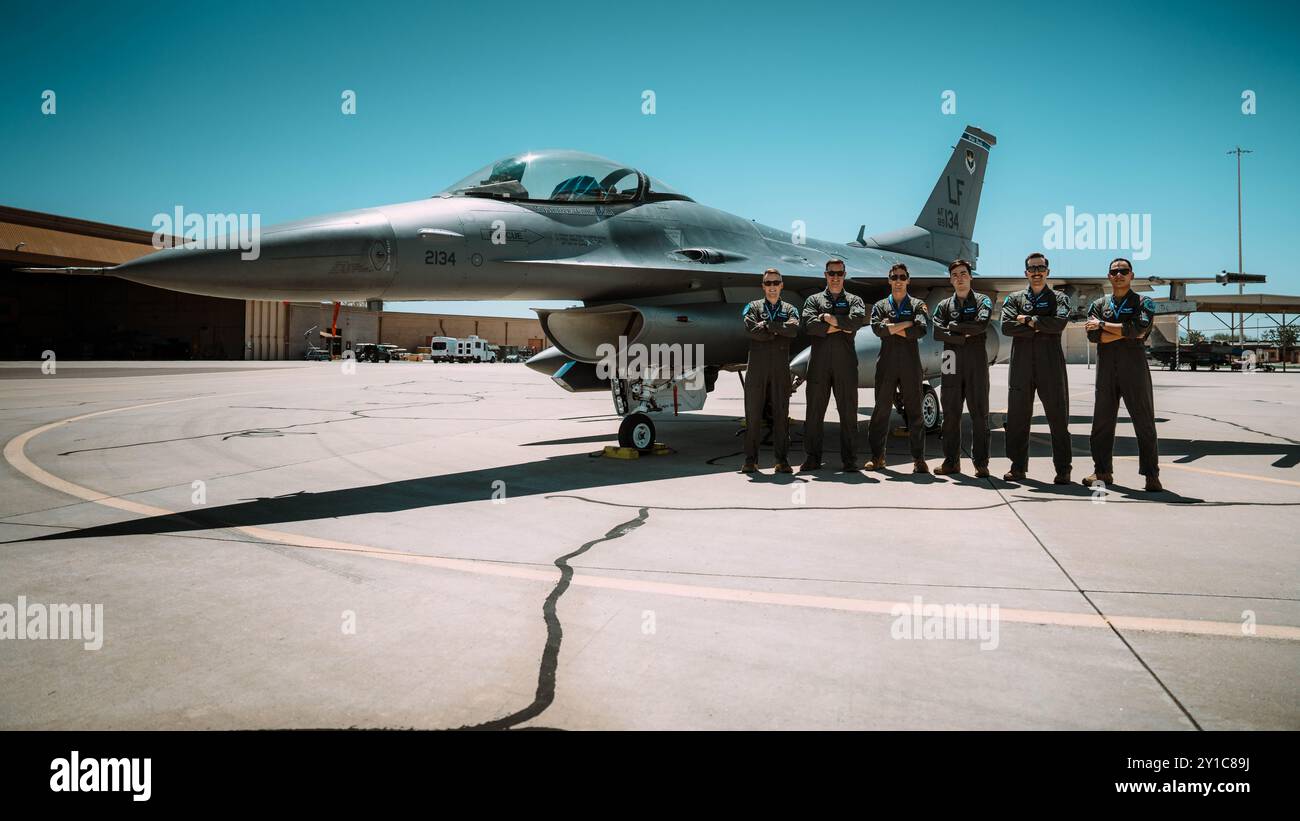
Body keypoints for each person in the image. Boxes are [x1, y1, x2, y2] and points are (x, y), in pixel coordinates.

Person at [1084, 258, 1163, 492]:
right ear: (1109, 276)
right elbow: (1093, 337)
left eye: (1123, 271)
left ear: (1132, 275)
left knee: (1144, 421)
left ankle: (1151, 475)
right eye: (1114, 271)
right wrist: (1124, 331)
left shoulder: (1144, 302)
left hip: (1134, 369)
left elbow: (1139, 331)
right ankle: (1102, 471)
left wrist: (1104, 326)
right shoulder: (1098, 304)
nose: (1119, 275)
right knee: (1101, 423)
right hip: (1106, 369)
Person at [1000, 252, 1072, 484]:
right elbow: (1006, 327)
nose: (1037, 271)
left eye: (1041, 267)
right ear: (1026, 273)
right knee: (1018, 417)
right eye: (1032, 268)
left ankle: (1063, 469)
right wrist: (1042, 324)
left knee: (1057, 417)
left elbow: (1059, 323)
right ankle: (1018, 467)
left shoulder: (1059, 299)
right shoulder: (1014, 299)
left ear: (1048, 272)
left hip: (1050, 362)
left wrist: (1028, 320)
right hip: (1021, 363)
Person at [800, 259, 867, 472]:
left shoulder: (855, 300)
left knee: (848, 413)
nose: (835, 277)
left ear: (844, 274)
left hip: (845, 363)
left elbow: (856, 322)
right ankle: (812, 458)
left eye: (839, 273)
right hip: (819, 363)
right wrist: (842, 324)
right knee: (814, 412)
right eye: (831, 273)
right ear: (825, 274)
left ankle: (849, 460)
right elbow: (810, 327)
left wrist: (827, 318)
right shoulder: (813, 300)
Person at [931, 258, 993, 477]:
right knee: (950, 412)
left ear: (970, 276)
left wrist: (954, 328)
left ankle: (981, 463)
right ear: (950, 279)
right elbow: (937, 332)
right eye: (955, 274)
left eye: (963, 273)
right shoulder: (943, 306)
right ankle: (951, 462)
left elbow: (981, 325)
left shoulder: (983, 301)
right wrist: (963, 334)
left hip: (976, 358)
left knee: (979, 412)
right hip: (950, 358)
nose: (959, 278)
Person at [866, 263, 930, 473]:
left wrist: (892, 327)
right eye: (894, 277)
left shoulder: (918, 305)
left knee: (915, 412)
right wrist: (907, 323)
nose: (898, 280)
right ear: (889, 280)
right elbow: (878, 330)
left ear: (908, 280)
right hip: (887, 363)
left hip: (911, 364)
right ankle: (877, 458)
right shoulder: (880, 305)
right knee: (880, 411)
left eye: (902, 277)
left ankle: (919, 459)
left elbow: (920, 330)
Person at [741, 268, 800, 473]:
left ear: (782, 285)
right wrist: (778, 329)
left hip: (780, 368)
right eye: (768, 283)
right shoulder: (752, 307)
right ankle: (750, 461)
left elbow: (793, 330)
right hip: (757, 367)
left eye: (776, 283)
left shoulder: (791, 309)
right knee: (753, 414)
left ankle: (781, 461)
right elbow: (752, 330)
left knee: (781, 415)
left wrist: (768, 325)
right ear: (763, 286)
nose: (772, 286)